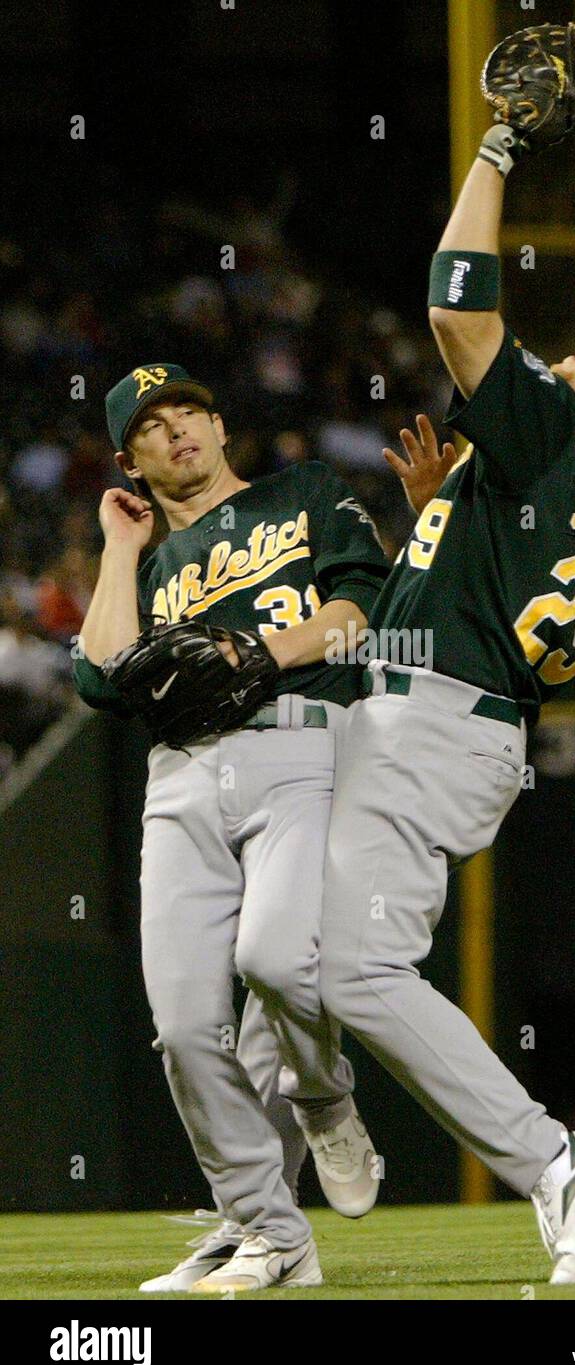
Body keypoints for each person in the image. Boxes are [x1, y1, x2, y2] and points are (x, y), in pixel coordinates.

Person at [205, 120, 575, 1288]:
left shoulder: (565, 429)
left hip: (432, 720)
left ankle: (551, 1158)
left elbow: (453, 306)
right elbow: (500, 582)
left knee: (350, 974)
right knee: (276, 957)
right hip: (433, 710)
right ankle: (260, 1225)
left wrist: (495, 147)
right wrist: (451, 512)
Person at [73, 363, 389, 1292]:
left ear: (217, 424)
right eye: (153, 427)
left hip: (298, 745)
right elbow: (99, 677)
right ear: (130, 459)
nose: (179, 432)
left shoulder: (300, 493)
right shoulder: (148, 560)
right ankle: (265, 1229)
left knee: (279, 963)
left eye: (191, 413)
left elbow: (358, 611)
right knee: (180, 1023)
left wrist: (258, 652)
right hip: (180, 777)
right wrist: (118, 552)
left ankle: (324, 1098)